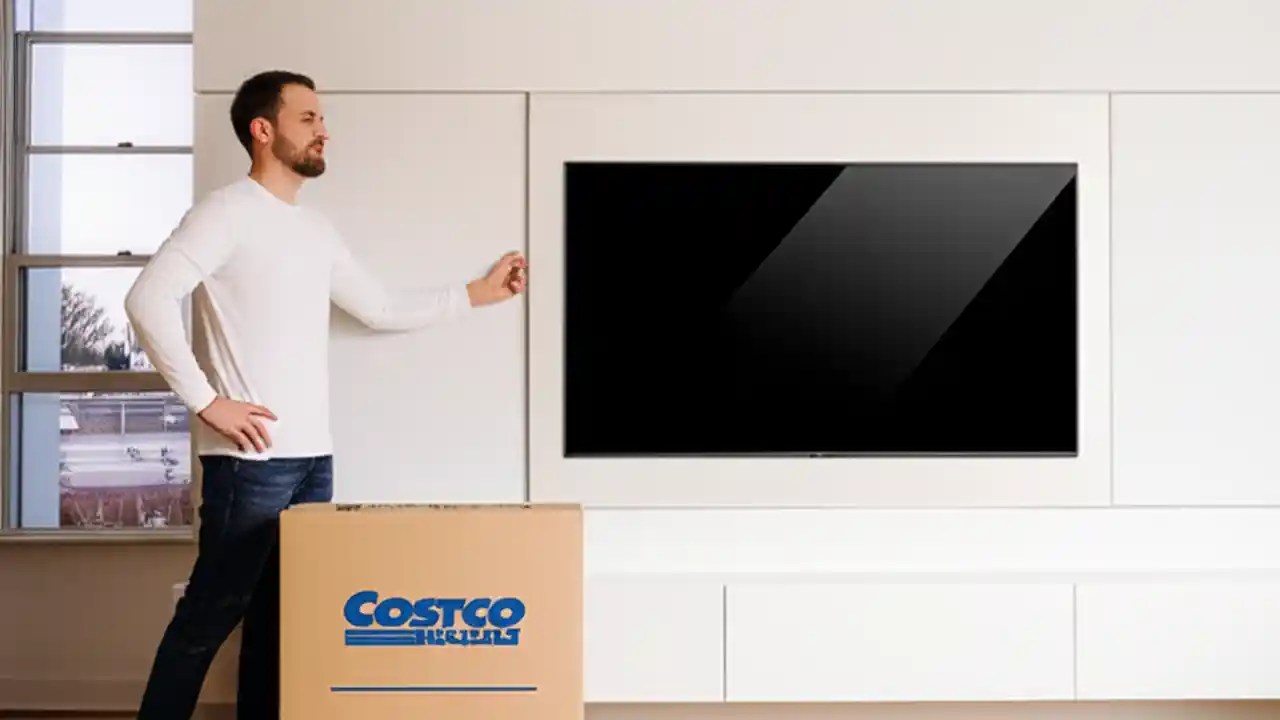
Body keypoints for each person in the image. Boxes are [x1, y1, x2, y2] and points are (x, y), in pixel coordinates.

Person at [126, 70, 526, 719]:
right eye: (308, 118)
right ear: (263, 130)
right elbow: (147, 298)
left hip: (314, 462)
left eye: (321, 118)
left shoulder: (314, 229)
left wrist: (479, 293)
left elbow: (381, 307)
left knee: (285, 626)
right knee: (207, 618)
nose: (324, 130)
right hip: (250, 464)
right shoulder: (225, 212)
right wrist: (207, 401)